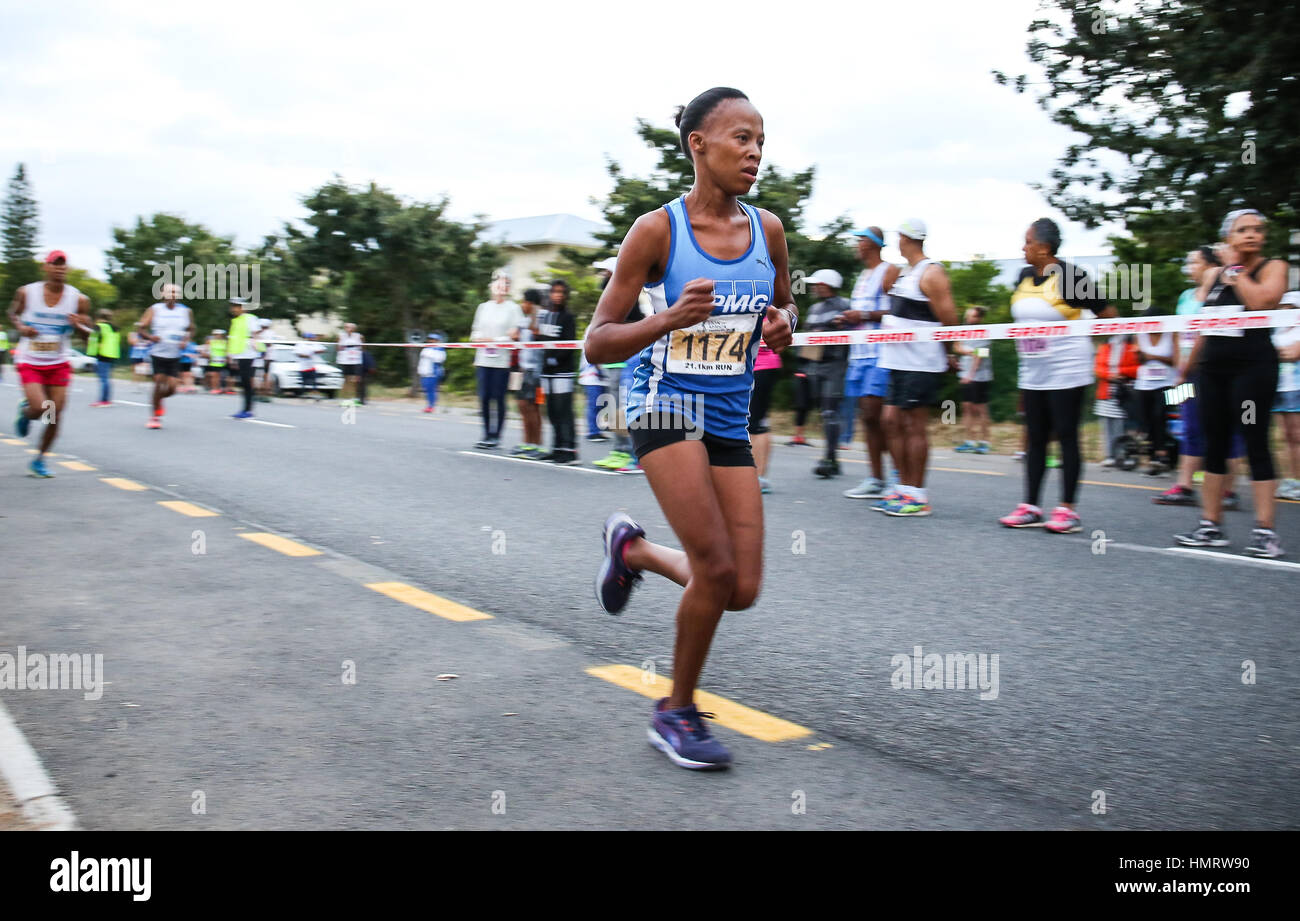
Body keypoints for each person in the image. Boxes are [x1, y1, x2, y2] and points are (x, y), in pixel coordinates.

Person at [584, 87, 796, 770]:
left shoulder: (768, 231)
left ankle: (635, 552)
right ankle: (675, 711)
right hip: (663, 400)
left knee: (742, 588)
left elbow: (785, 312)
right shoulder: (657, 231)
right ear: (697, 145)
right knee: (715, 567)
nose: (755, 152)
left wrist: (784, 327)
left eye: (761, 140)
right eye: (741, 138)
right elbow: (598, 341)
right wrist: (666, 321)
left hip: (730, 409)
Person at [1176, 209, 1289, 558]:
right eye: (1243, 230)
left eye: (1257, 230)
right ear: (1228, 237)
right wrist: (1188, 368)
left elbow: (1262, 301)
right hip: (1213, 371)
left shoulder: (1273, 267)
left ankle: (1265, 532)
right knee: (1215, 444)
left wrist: (1236, 269)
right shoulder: (1213, 276)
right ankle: (1211, 525)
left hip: (1252, 370)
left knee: (1254, 442)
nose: (1251, 235)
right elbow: (1205, 326)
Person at [998, 218, 1114, 533]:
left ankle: (1067, 509)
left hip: (1068, 370)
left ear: (1044, 247)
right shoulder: (1023, 275)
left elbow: (1109, 316)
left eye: (1027, 242)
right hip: (1033, 371)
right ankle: (1031, 506)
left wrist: (1101, 350)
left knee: (1065, 435)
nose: (1023, 248)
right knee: (1035, 438)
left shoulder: (1072, 277)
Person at [874, 219, 959, 517]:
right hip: (896, 361)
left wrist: (949, 353)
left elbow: (949, 320)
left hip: (920, 362)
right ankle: (903, 488)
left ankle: (917, 494)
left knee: (914, 425)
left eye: (899, 237)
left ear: (906, 239)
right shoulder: (907, 273)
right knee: (890, 421)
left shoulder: (931, 272)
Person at [1154, 246, 1243, 509]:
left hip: (1212, 369)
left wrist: (1184, 370)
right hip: (1186, 374)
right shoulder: (1185, 297)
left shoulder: (1225, 290)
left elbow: (1206, 336)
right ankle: (1184, 485)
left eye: (1193, 262)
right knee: (1189, 426)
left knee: (1226, 429)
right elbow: (1180, 335)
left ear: (1209, 265)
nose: (1189, 267)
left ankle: (1228, 490)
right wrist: (1179, 370)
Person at [9, 250, 95, 477]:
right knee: (40, 408)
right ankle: (26, 413)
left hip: (58, 362)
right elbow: (13, 313)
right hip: (30, 360)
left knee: (54, 414)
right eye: (54, 264)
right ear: (45, 268)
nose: (59, 268)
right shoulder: (27, 292)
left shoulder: (78, 299)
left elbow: (89, 336)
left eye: (63, 265)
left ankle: (40, 459)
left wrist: (79, 327)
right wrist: (21, 328)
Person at [842, 225, 899, 499]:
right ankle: (876, 478)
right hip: (859, 354)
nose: (856, 244)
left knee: (881, 417)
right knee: (867, 418)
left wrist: (862, 315)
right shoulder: (862, 275)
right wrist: (848, 318)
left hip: (881, 353)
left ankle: (897, 477)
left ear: (873, 244)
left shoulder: (888, 271)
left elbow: (897, 311)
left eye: (860, 240)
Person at [800, 269, 851, 478]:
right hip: (815, 364)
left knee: (830, 411)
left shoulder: (845, 305)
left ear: (827, 284)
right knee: (824, 412)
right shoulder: (814, 307)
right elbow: (807, 333)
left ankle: (829, 459)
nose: (813, 287)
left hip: (835, 364)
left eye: (817, 284)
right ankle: (833, 459)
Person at [470, 273, 524, 448]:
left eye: (505, 284)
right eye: (498, 284)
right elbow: (475, 331)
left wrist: (497, 340)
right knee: (484, 397)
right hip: (483, 358)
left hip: (501, 360)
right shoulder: (483, 307)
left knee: (498, 397)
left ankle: (496, 436)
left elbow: (515, 333)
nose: (501, 288)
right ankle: (486, 433)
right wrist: (481, 339)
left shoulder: (513, 308)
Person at [136, 284, 196, 429]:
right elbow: (140, 328)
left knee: (172, 388)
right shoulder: (154, 309)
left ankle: (158, 400)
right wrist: (151, 337)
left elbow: (191, 329)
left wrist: (185, 340)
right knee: (158, 383)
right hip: (158, 353)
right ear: (163, 294)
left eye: (176, 292)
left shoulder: (186, 311)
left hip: (175, 355)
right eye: (170, 291)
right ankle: (155, 416)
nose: (173, 294)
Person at [537, 279, 579, 464]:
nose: (558, 295)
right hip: (546, 372)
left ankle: (569, 449)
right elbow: (539, 339)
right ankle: (556, 447)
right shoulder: (545, 317)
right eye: (555, 291)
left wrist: (556, 357)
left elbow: (569, 343)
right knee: (552, 410)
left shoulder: (567, 317)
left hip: (563, 371)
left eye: (561, 292)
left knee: (564, 410)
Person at [1133, 316, 1178, 475]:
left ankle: (1163, 455)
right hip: (1144, 384)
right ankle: (1153, 457)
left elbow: (1176, 361)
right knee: (1146, 420)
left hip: (1167, 383)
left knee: (1160, 416)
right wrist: (1139, 354)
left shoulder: (1171, 334)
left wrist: (1153, 357)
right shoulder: (1139, 334)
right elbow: (1137, 359)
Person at [1093, 334, 1139, 467]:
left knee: (1120, 425)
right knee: (1106, 426)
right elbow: (1098, 368)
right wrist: (1111, 375)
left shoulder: (1131, 348)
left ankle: (1121, 454)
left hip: (1124, 393)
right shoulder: (1104, 347)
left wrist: (1120, 372)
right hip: (1105, 392)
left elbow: (1136, 368)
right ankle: (1109, 455)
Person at [953, 306, 993, 453]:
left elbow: (980, 356)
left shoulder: (984, 333)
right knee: (967, 408)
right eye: (968, 315)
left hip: (980, 376)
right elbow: (956, 346)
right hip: (964, 375)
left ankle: (984, 442)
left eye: (973, 316)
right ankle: (969, 441)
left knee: (980, 409)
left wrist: (970, 375)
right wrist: (968, 351)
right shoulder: (963, 329)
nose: (969, 318)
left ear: (980, 318)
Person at [1273, 292, 1300, 500]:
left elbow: (1292, 354)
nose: (1285, 310)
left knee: (1296, 436)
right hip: (1278, 386)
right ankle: (1288, 480)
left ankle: (1297, 480)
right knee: (1283, 437)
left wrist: (1278, 353)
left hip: (1296, 386)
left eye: (1290, 307)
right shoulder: (1276, 329)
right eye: (1283, 306)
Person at [511, 289, 545, 455]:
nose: (521, 305)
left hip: (536, 372)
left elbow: (537, 333)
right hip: (523, 370)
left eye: (524, 302)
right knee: (523, 406)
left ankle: (536, 444)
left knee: (532, 407)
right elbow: (515, 334)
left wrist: (534, 313)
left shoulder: (540, 318)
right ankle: (527, 442)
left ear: (530, 303)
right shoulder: (524, 321)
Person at [749, 340, 782, 493]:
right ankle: (760, 476)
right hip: (762, 365)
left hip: (761, 365)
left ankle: (759, 477)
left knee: (755, 425)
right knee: (760, 422)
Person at [228, 298, 263, 419]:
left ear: (243, 307)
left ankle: (248, 410)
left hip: (249, 353)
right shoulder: (236, 321)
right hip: (240, 354)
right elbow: (234, 339)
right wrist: (231, 355)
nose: (233, 308)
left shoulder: (250, 318)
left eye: (236, 306)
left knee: (247, 382)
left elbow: (256, 333)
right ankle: (246, 409)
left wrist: (255, 342)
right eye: (233, 306)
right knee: (244, 382)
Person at [85, 308, 121, 407]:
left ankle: (103, 400)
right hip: (113, 354)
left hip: (102, 354)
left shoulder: (99, 326)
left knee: (103, 378)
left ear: (98, 317)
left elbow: (95, 340)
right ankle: (107, 400)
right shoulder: (115, 328)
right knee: (107, 378)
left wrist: (93, 351)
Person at [417, 332, 447, 412]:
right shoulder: (425, 348)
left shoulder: (440, 349)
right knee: (426, 390)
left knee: (431, 390)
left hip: (433, 372)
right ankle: (429, 405)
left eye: (433, 339)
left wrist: (430, 355)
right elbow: (422, 361)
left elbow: (440, 359)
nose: (431, 341)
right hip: (424, 372)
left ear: (437, 340)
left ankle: (431, 406)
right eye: (430, 339)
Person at [336, 322, 364, 404]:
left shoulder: (359, 336)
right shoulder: (341, 336)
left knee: (355, 380)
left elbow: (362, 348)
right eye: (346, 327)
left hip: (356, 360)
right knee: (346, 380)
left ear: (354, 329)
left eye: (350, 327)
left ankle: (355, 398)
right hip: (345, 361)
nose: (348, 329)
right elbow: (338, 348)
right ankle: (345, 398)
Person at [580, 356, 606, 441]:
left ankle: (596, 431)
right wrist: (600, 370)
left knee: (600, 406)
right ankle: (593, 432)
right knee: (594, 405)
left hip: (599, 378)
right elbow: (593, 356)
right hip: (592, 377)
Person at [294, 333, 323, 398]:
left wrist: (316, 352)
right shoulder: (301, 344)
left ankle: (315, 394)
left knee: (314, 381)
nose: (312, 339)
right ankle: (302, 394)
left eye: (312, 338)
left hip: (311, 367)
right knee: (303, 382)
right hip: (303, 367)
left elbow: (322, 350)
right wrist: (306, 356)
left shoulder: (314, 344)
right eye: (310, 338)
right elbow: (298, 354)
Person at [205, 328, 228, 394]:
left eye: (220, 335)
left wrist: (226, 358)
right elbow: (207, 350)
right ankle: (214, 388)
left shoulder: (224, 342)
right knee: (214, 375)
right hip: (214, 360)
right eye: (217, 335)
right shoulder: (210, 341)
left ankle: (218, 388)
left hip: (221, 360)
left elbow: (226, 351)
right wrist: (208, 356)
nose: (218, 336)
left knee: (220, 375)